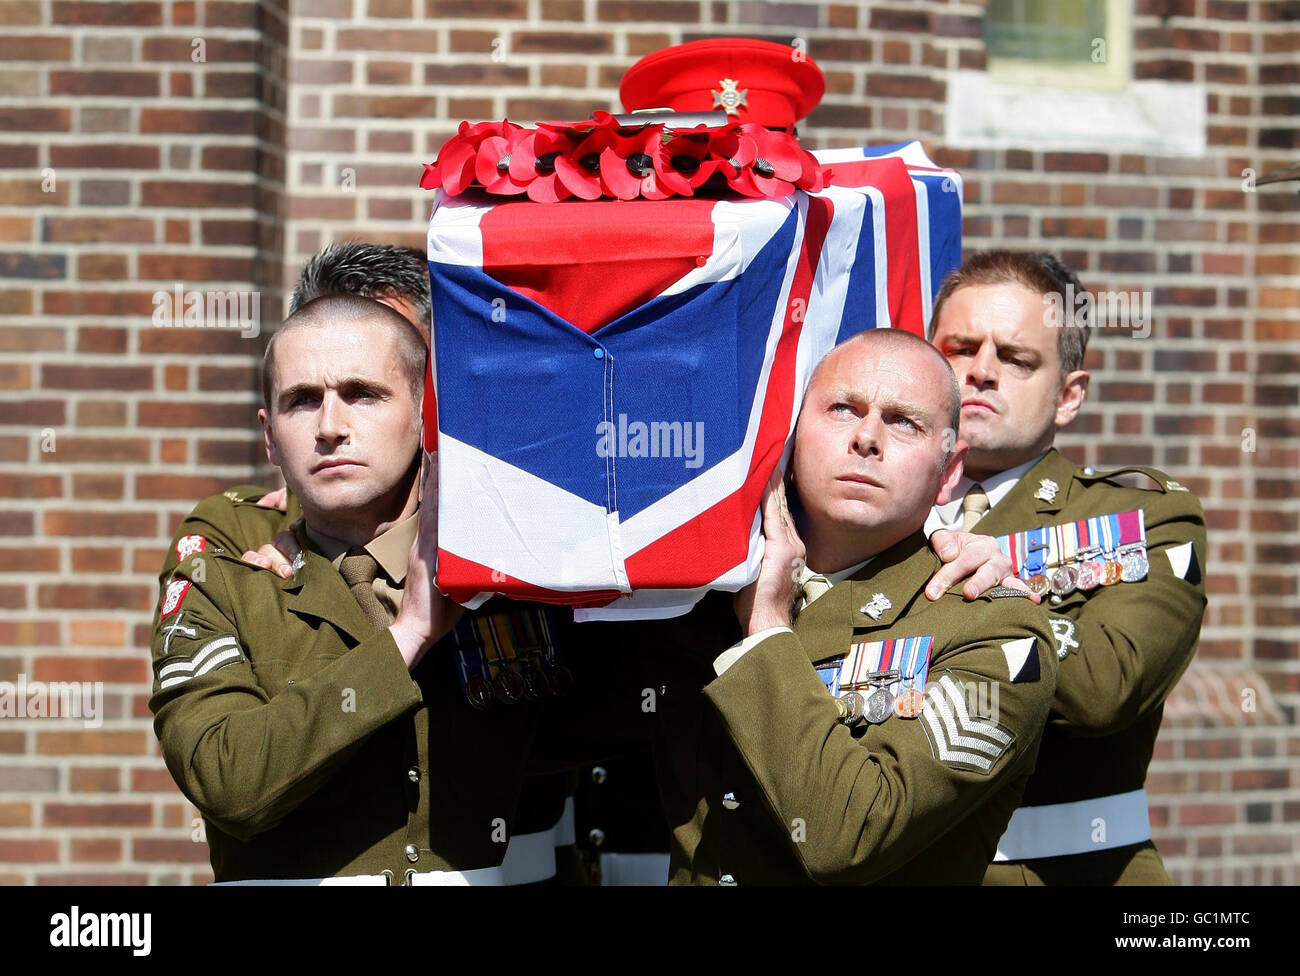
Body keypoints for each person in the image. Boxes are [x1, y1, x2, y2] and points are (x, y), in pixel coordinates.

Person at [633, 327, 1059, 884]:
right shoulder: (698, 595)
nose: (867, 437)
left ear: (950, 469)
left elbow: (851, 834)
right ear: (788, 438)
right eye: (842, 409)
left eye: (904, 421)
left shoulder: (995, 626)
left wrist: (765, 627)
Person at [926, 251, 1208, 885]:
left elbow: (1105, 689)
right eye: (959, 348)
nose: (981, 373)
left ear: (1068, 395)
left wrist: (1005, 587)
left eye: (1017, 359)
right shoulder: (863, 517)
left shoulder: (1143, 517)